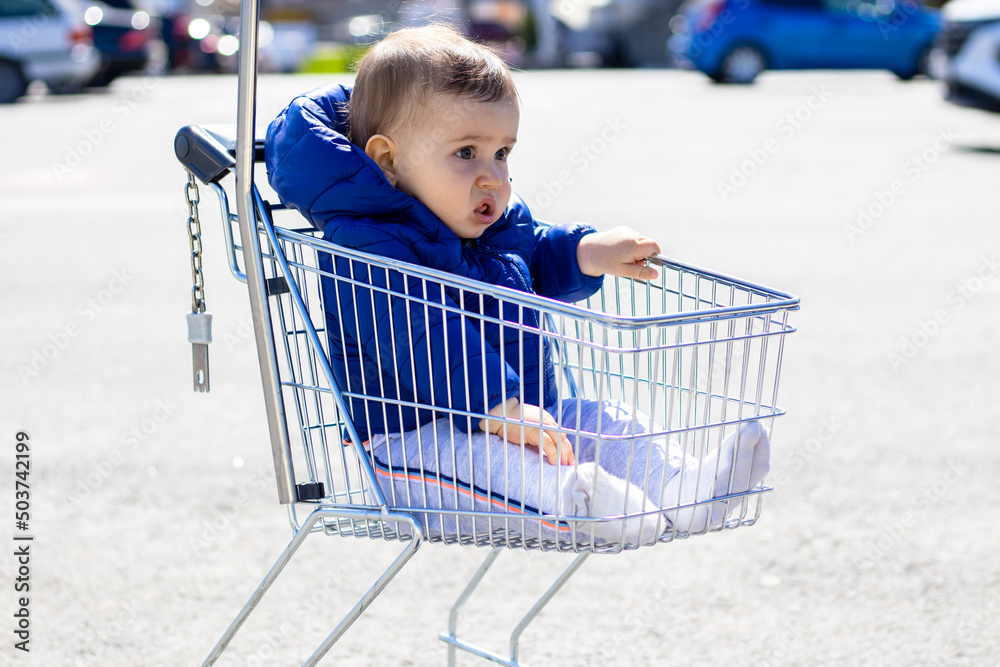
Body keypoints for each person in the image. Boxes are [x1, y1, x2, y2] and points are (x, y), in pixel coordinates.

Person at [265, 24, 770, 545]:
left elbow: (530, 259)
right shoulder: (366, 247)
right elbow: (419, 334)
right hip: (411, 446)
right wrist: (497, 405)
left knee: (604, 421)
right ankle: (579, 502)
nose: (493, 177)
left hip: (519, 415)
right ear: (389, 161)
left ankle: (683, 487)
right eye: (466, 153)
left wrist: (587, 253)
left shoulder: (491, 225)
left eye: (502, 153)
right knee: (496, 462)